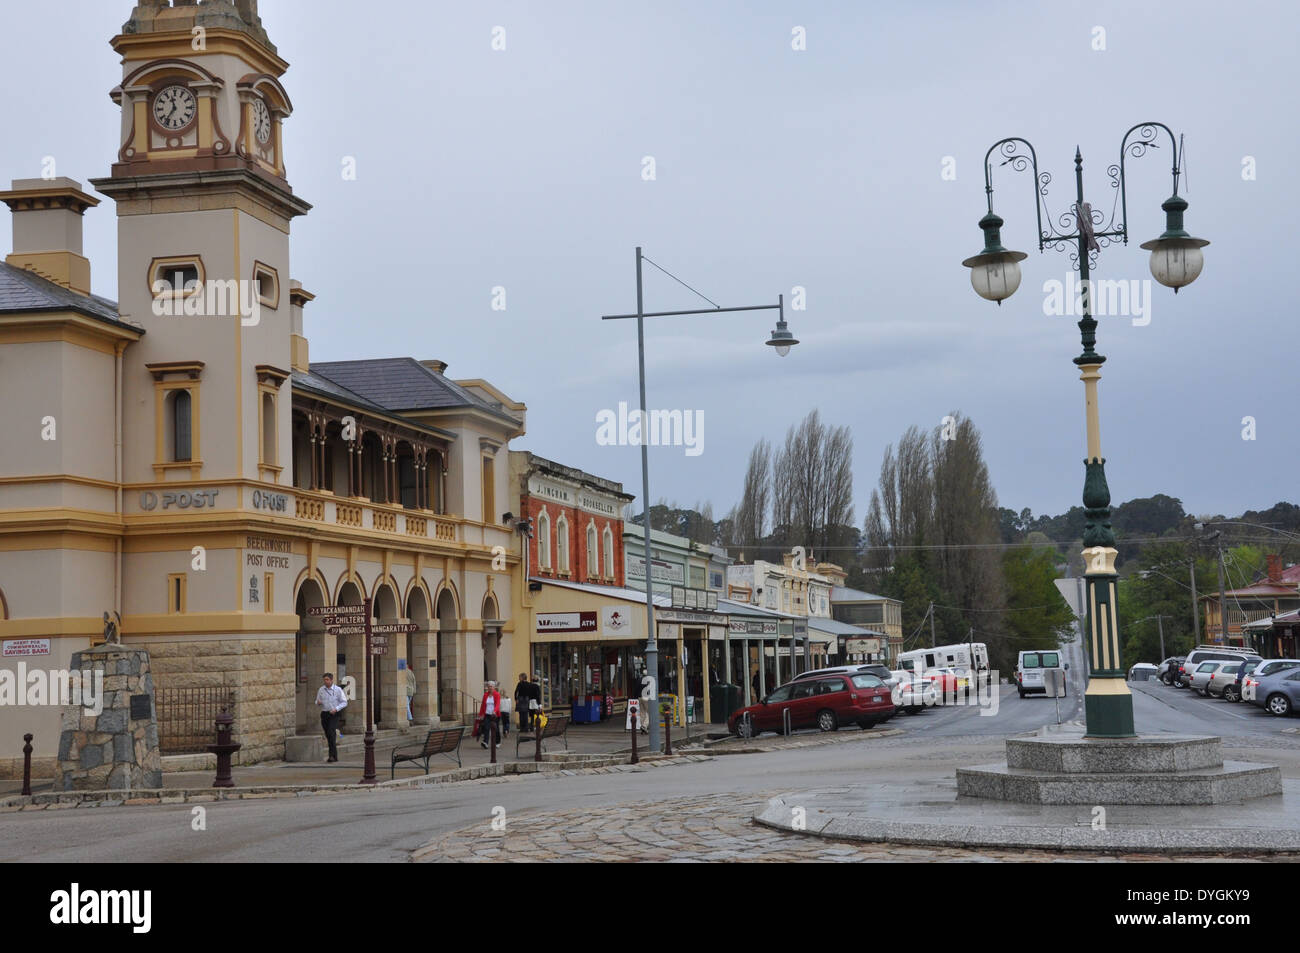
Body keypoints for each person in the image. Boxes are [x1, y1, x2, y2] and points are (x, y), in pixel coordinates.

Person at [314, 672, 347, 763]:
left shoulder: (338, 690)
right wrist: (318, 702)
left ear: (332, 680)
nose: (326, 681)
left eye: (327, 680)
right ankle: (333, 756)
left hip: (334, 714)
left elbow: (344, 702)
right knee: (328, 735)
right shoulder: (321, 689)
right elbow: (316, 701)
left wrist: (336, 709)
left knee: (331, 732)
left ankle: (332, 756)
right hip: (325, 713)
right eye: (324, 680)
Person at [477, 680, 502, 749]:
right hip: (487, 714)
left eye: (491, 686)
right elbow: (483, 705)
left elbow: (497, 704)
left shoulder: (497, 694)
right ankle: (485, 742)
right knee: (486, 728)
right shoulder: (485, 695)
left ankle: (498, 742)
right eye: (489, 686)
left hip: (495, 715)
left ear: (494, 687)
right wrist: (480, 714)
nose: (490, 688)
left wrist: (494, 711)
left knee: (496, 729)